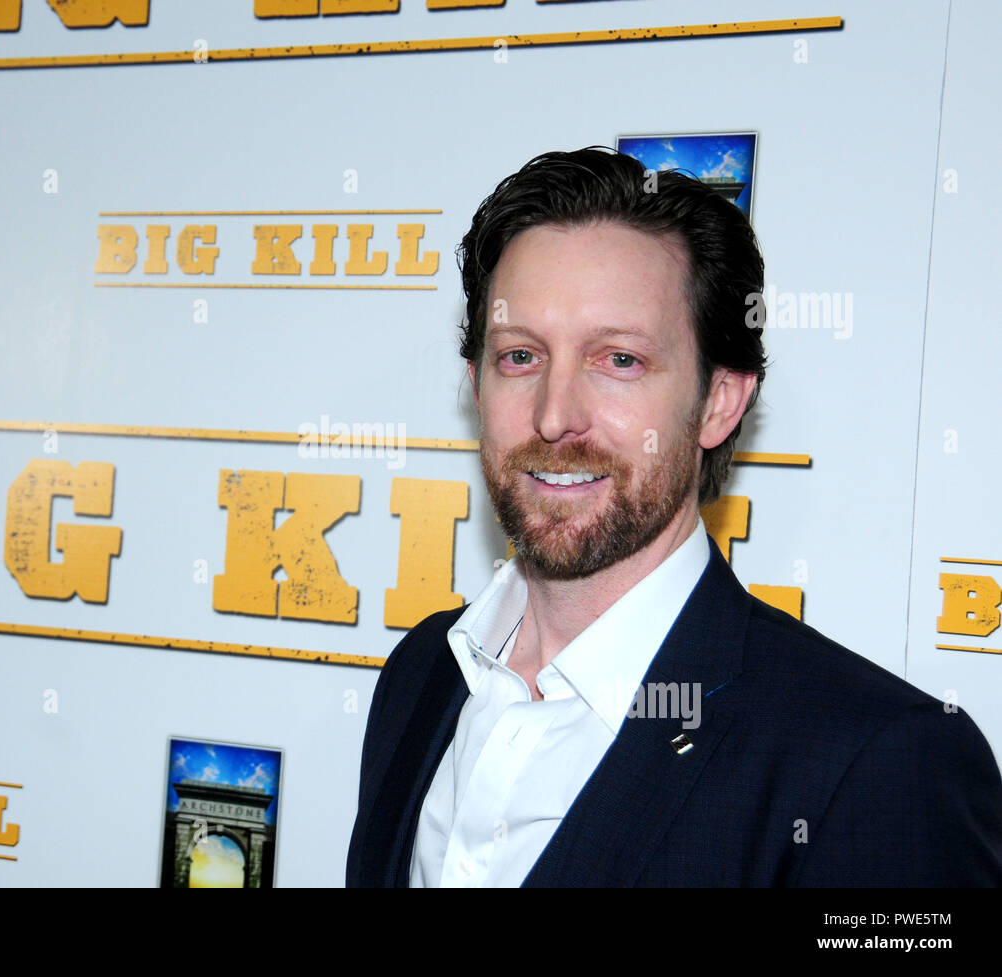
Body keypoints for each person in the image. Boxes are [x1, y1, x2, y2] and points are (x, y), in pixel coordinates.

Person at [345, 147, 1002, 887]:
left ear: (719, 402)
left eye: (619, 360)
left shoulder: (877, 764)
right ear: (476, 384)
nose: (556, 415)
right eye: (521, 356)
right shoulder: (424, 671)